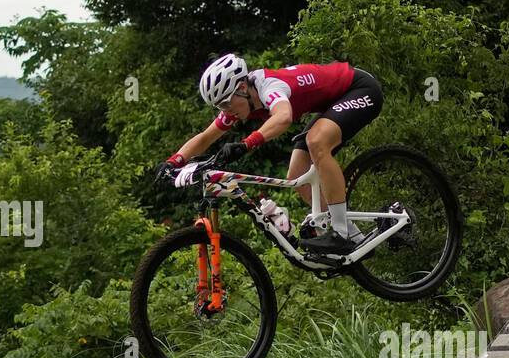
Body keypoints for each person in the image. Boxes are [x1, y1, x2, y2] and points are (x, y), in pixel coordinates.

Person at [160, 53, 384, 253]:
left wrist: (247, 144)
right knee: (297, 176)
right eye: (221, 107)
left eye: (227, 104)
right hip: (335, 101)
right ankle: (355, 238)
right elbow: (206, 137)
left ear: (242, 88)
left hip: (360, 88)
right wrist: (173, 162)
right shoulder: (240, 100)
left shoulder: (269, 86)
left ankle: (341, 233)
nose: (227, 112)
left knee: (317, 141)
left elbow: (283, 116)